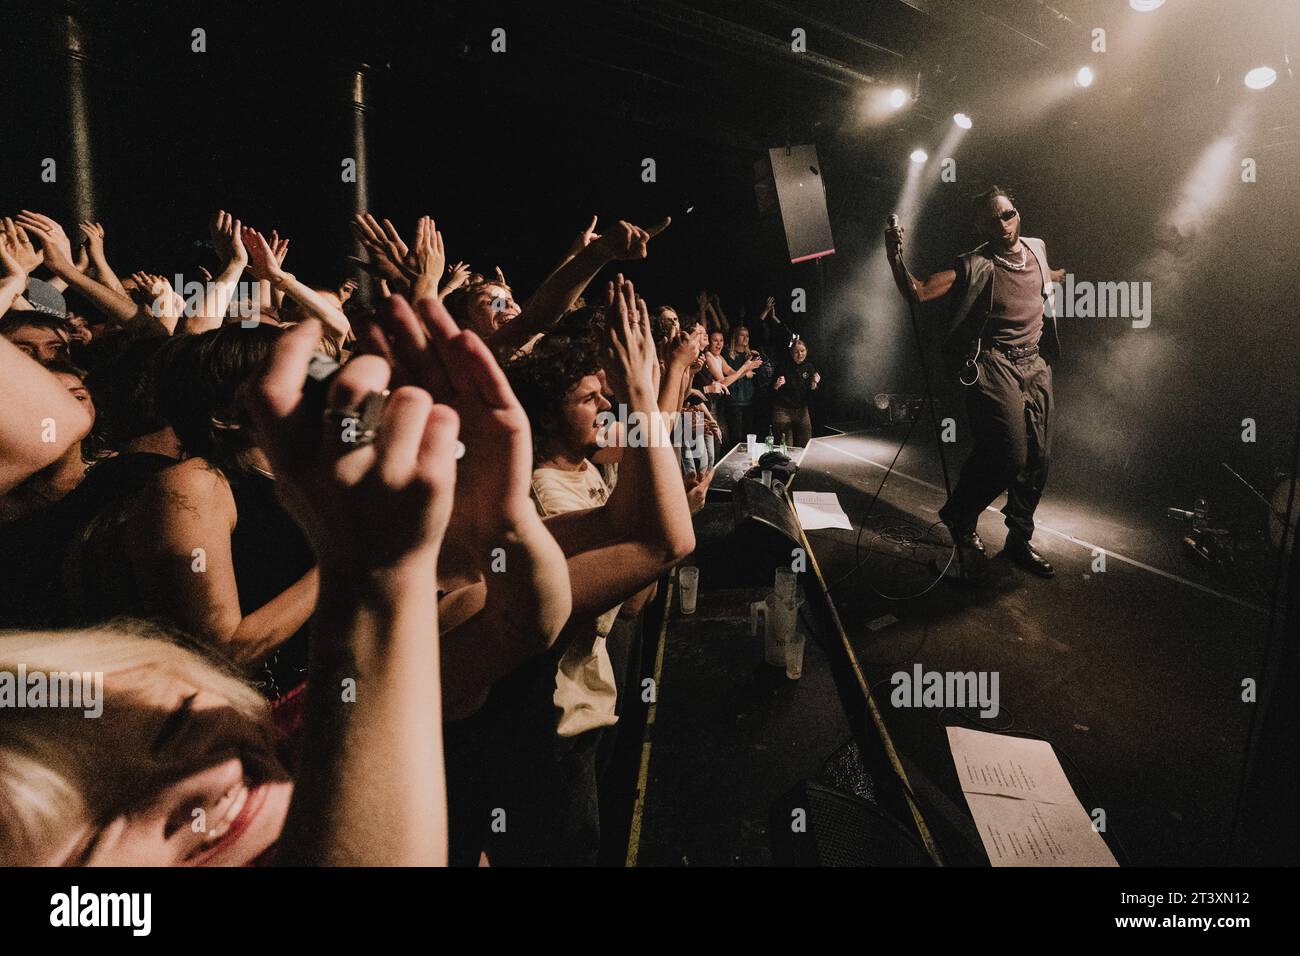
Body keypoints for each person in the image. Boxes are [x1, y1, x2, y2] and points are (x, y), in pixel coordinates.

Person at [885, 185, 1065, 577]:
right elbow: (917, 291)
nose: (1002, 224)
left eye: (1007, 214)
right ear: (979, 226)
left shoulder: (1037, 247)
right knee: (1009, 455)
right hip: (995, 364)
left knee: (1040, 459)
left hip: (1035, 364)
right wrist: (893, 253)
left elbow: (1047, 276)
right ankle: (961, 517)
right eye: (992, 219)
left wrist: (1064, 277)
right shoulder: (974, 264)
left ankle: (1019, 539)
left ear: (1017, 213)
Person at [770, 338, 820, 449]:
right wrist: (777, 385)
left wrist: (814, 384)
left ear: (806, 351)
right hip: (782, 411)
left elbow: (812, 391)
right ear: (791, 353)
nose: (800, 354)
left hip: (802, 410)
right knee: (785, 447)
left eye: (802, 351)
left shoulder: (809, 366)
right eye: (796, 352)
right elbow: (771, 389)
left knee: (806, 444)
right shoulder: (783, 365)